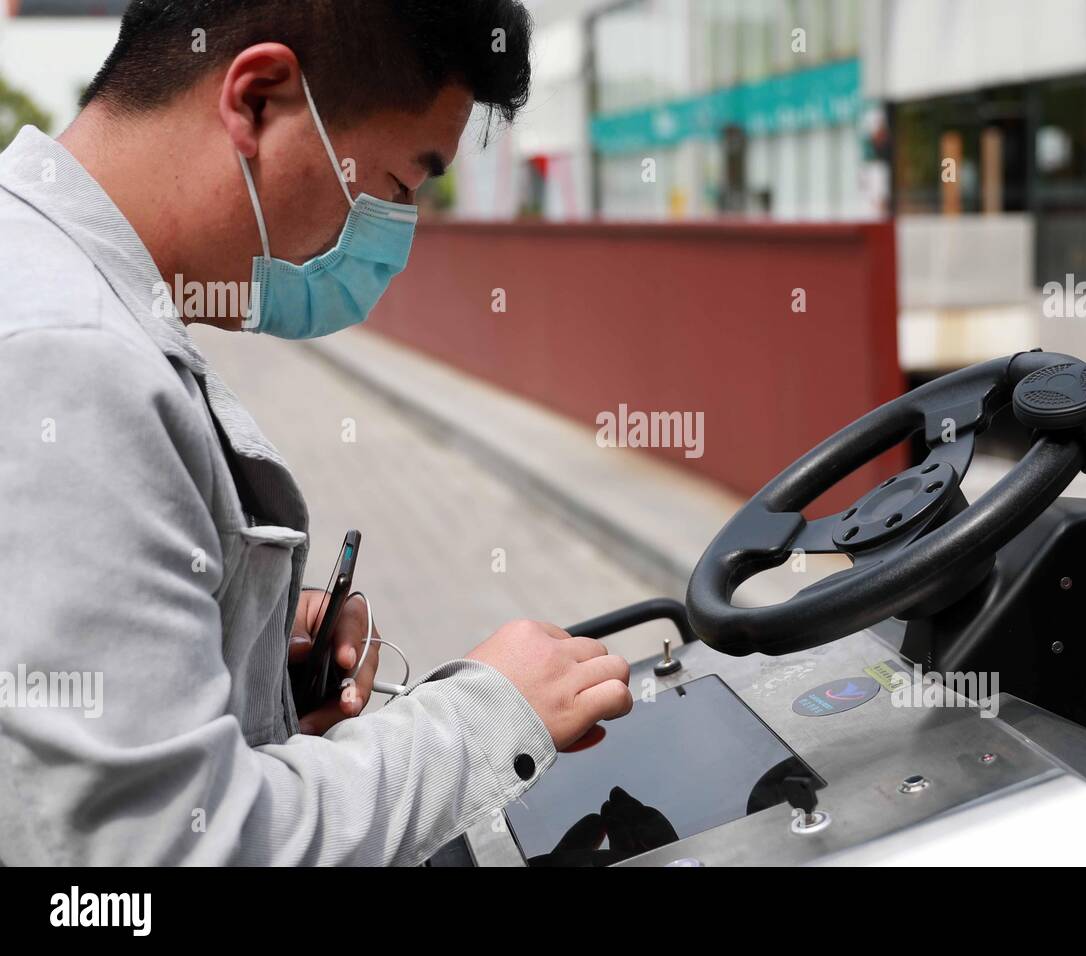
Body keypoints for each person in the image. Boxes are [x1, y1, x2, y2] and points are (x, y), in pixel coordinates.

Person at [0, 0, 632, 865]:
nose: (390, 240)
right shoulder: (69, 364)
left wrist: (240, 666)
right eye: (400, 186)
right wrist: (486, 714)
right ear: (260, 100)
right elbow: (162, 855)